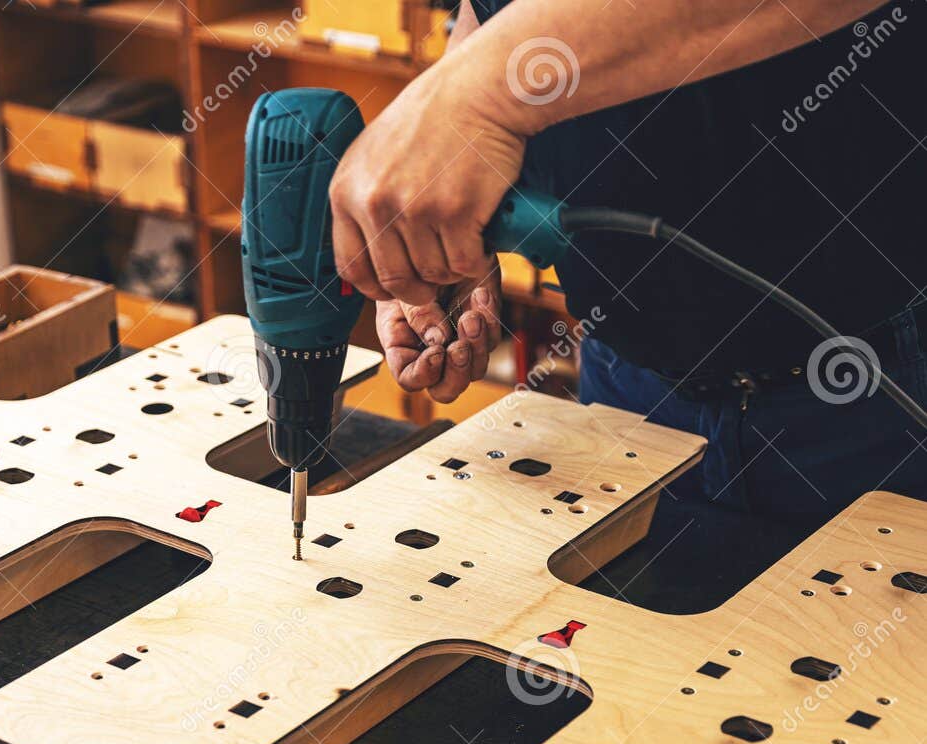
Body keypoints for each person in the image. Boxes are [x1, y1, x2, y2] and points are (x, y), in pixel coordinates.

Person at [329, 0, 927, 518]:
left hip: (872, 392)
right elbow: (484, 11)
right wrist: (456, 189)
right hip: (626, 380)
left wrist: (475, 99)